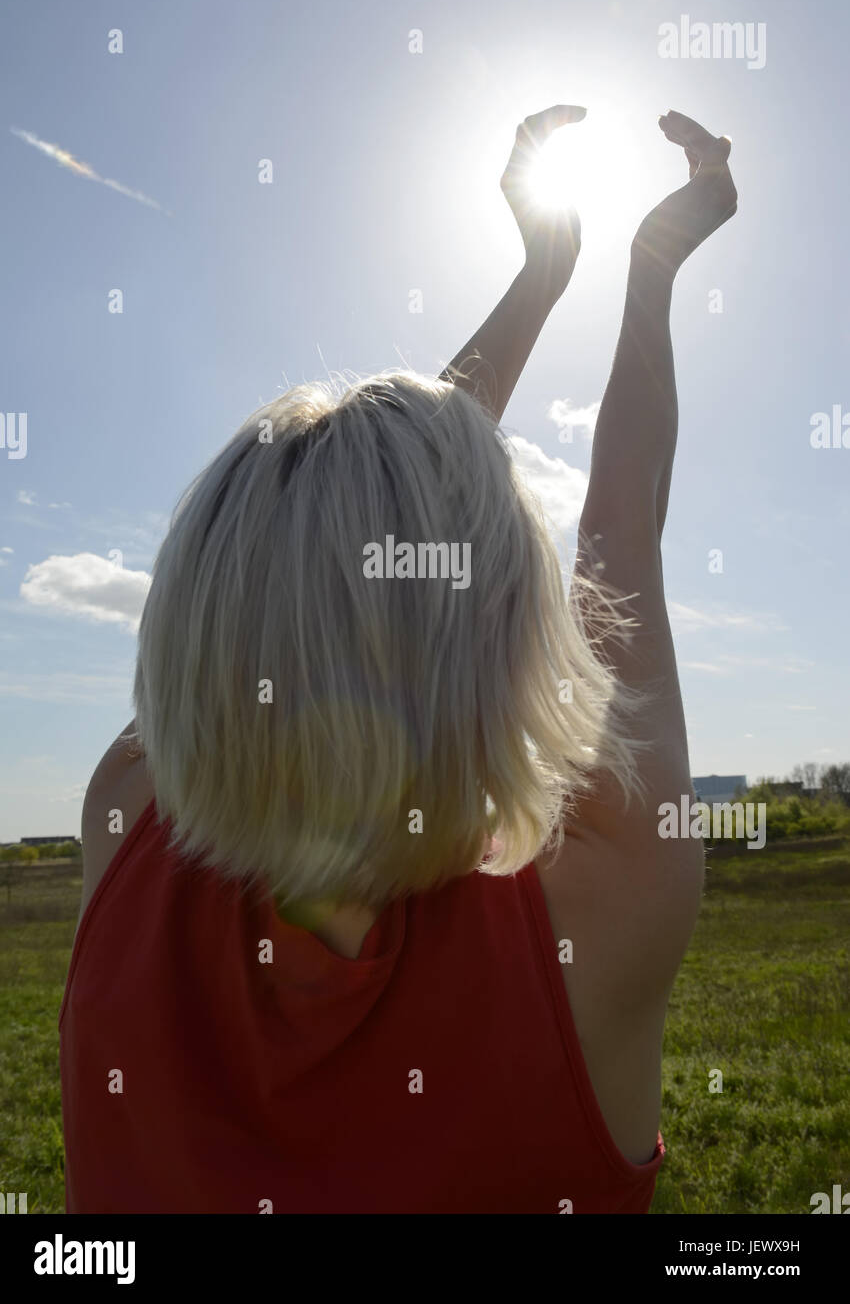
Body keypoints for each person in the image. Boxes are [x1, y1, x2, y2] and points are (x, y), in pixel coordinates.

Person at [59, 106, 737, 1214]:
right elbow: (616, 529)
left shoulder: (121, 813)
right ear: (505, 642)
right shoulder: (599, 899)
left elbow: (333, 564)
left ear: (195, 619)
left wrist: (535, 280)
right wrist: (643, 269)